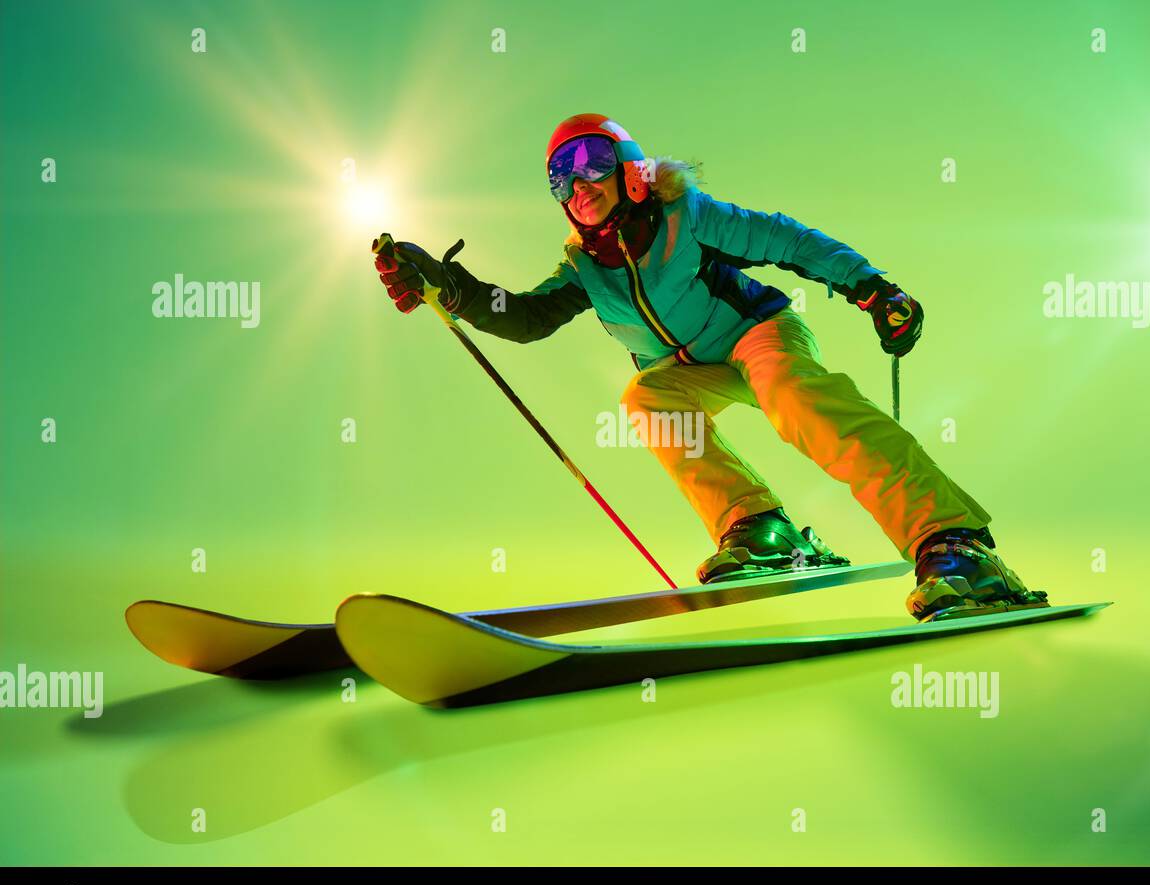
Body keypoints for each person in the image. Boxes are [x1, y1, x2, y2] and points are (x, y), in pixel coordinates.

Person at [374, 112, 1045, 621]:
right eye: (560, 175)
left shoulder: (684, 217)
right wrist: (452, 289)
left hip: (757, 335)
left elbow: (784, 239)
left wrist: (871, 287)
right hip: (687, 367)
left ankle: (956, 545)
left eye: (589, 160)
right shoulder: (584, 267)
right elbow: (522, 315)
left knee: (790, 394)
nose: (577, 183)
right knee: (645, 398)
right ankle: (761, 529)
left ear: (629, 165)